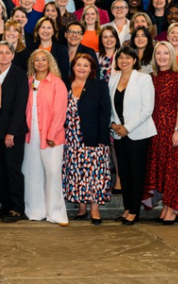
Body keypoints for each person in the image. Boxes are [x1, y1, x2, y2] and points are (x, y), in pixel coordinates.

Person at [63, 53, 113, 224]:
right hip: (71, 138)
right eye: (79, 64)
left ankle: (95, 210)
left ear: (92, 68)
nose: (82, 68)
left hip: (93, 136)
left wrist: (102, 137)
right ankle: (81, 208)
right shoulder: (66, 85)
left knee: (94, 174)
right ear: (73, 67)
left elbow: (105, 113)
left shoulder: (98, 85)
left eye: (86, 65)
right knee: (76, 173)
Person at [109, 46, 156, 226]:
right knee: (125, 173)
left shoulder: (143, 79)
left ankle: (135, 211)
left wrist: (127, 127)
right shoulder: (113, 79)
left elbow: (147, 109)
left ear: (134, 60)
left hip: (138, 133)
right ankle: (127, 208)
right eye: (121, 58)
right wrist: (114, 125)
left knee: (137, 173)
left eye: (128, 58)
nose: (124, 61)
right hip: (119, 133)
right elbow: (111, 108)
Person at [20, 48, 67, 224]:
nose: (40, 63)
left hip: (51, 136)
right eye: (36, 60)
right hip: (31, 135)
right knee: (32, 173)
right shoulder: (29, 82)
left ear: (49, 63)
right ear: (32, 63)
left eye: (43, 59)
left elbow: (60, 112)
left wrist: (51, 134)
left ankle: (55, 213)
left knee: (53, 173)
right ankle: (35, 211)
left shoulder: (56, 83)